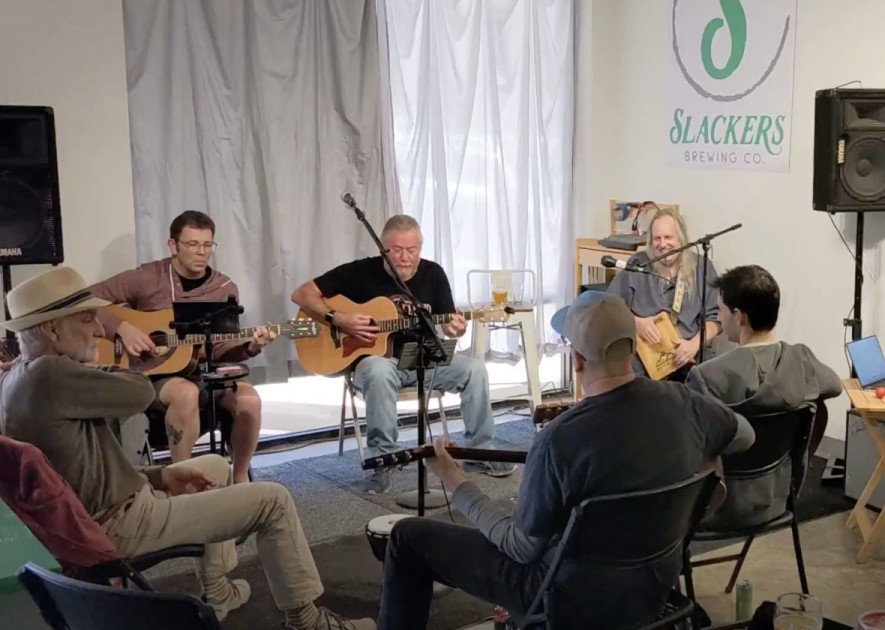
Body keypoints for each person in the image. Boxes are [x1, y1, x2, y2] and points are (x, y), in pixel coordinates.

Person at [0, 267, 372, 630]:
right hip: (120, 522)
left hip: (93, 512)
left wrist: (160, 475)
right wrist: (137, 362)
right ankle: (307, 621)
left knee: (213, 466)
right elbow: (140, 391)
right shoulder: (53, 375)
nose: (99, 331)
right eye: (87, 321)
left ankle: (218, 590)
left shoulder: (18, 376)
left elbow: (78, 472)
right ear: (52, 328)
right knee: (273, 499)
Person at [376, 291, 755, 630]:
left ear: (575, 360)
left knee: (408, 537)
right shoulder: (685, 402)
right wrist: (698, 462)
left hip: (569, 598)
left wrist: (456, 482)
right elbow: (744, 435)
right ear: (634, 345)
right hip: (655, 584)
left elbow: (520, 547)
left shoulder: (558, 439)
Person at [291, 214, 509, 496]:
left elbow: (448, 325)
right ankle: (384, 459)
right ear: (383, 249)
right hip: (377, 365)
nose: (405, 258)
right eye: (397, 250)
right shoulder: (359, 273)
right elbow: (302, 294)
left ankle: (480, 452)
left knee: (474, 369)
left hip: (424, 360)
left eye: (412, 250)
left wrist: (455, 329)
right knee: (380, 370)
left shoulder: (433, 274)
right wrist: (338, 319)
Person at [89, 211, 274, 483]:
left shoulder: (224, 288)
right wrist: (122, 329)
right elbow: (82, 298)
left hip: (203, 373)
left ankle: (239, 479)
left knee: (249, 399)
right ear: (173, 246)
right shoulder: (147, 277)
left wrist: (251, 346)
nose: (201, 252)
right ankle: (183, 481)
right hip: (150, 376)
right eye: (192, 244)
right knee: (185, 393)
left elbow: (222, 348)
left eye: (207, 245)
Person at [686, 265, 842, 530]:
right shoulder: (802, 360)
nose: (720, 319)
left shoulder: (706, 376)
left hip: (718, 509)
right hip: (778, 501)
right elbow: (834, 387)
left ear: (740, 317)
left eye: (721, 310)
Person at [607, 205, 720, 380]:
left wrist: (693, 345)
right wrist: (636, 323)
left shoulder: (702, 267)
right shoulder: (638, 264)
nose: (662, 244)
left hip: (688, 357)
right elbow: (609, 309)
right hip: (644, 363)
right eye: (656, 239)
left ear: (681, 239)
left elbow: (716, 319)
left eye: (668, 237)